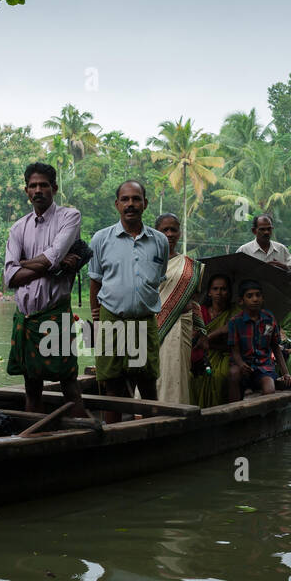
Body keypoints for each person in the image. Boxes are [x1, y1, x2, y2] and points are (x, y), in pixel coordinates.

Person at [3, 162, 91, 420]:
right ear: (26, 191)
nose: (38, 190)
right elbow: (10, 276)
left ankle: (83, 436)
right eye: (33, 185)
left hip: (55, 314)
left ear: (54, 188)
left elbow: (53, 256)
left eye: (43, 185)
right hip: (26, 317)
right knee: (32, 386)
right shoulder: (18, 227)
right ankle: (37, 438)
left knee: (69, 383)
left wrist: (26, 262)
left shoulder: (69, 216)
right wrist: (50, 264)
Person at [87, 180, 169, 424]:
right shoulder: (101, 239)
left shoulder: (159, 241)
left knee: (147, 382)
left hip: (144, 319)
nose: (131, 204)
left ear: (145, 203)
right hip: (111, 317)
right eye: (125, 199)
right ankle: (112, 435)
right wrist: (97, 320)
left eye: (136, 199)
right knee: (111, 382)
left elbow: (158, 279)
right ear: (117, 204)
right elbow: (95, 281)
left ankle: (151, 431)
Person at [153, 213, 205, 406]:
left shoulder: (191, 266)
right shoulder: (146, 261)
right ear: (155, 233)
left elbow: (195, 299)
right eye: (164, 230)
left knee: (177, 372)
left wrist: (200, 329)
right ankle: (144, 412)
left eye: (173, 229)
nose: (169, 234)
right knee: (150, 372)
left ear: (180, 233)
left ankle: (175, 412)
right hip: (151, 326)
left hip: (180, 326)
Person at [228, 279, 291, 401]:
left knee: (269, 389)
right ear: (241, 301)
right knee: (234, 373)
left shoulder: (269, 318)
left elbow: (275, 347)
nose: (255, 299)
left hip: (263, 366)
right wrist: (241, 364)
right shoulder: (235, 322)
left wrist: (286, 373)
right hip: (243, 366)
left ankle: (265, 415)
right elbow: (235, 350)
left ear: (263, 298)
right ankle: (234, 410)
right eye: (250, 296)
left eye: (258, 295)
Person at [189, 273, 239, 408]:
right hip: (202, 354)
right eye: (215, 289)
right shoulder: (200, 311)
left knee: (219, 376)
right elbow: (193, 336)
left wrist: (209, 337)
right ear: (209, 292)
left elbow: (234, 335)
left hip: (225, 354)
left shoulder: (235, 312)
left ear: (229, 292)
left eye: (223, 289)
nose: (219, 293)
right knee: (192, 376)